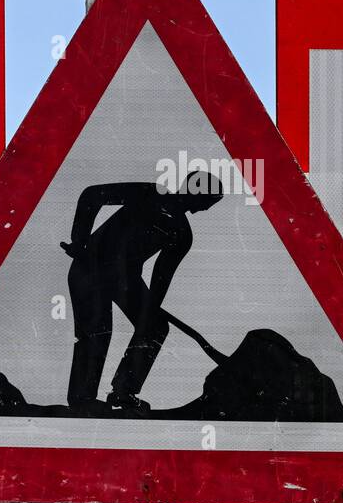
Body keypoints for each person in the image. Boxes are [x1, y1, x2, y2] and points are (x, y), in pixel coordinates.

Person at [60, 171, 223, 412]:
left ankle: (123, 392)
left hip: (124, 280)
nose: (207, 208)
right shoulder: (152, 193)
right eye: (209, 200)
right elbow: (92, 195)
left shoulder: (182, 235)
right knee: (97, 330)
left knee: (155, 325)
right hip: (90, 267)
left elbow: (161, 278)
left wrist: (151, 308)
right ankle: (82, 398)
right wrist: (80, 240)